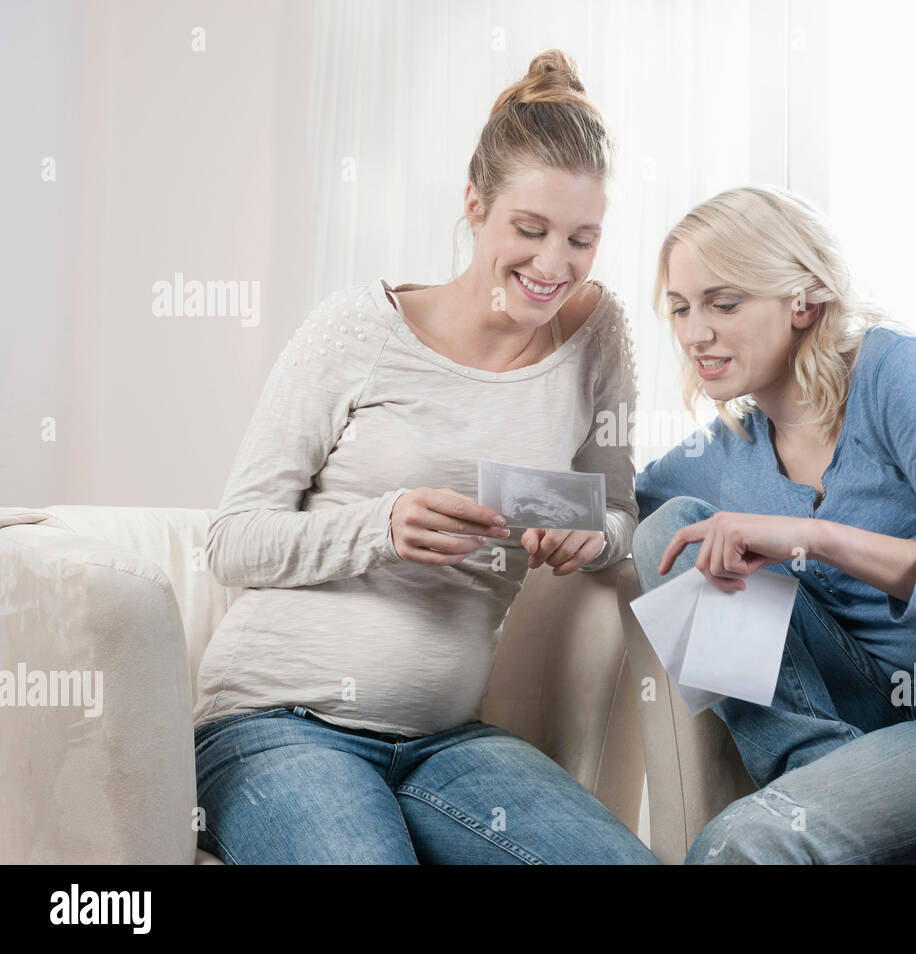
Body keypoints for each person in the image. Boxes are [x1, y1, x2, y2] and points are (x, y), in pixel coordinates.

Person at [193, 50, 656, 865]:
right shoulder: (359, 330)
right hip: (276, 724)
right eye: (530, 230)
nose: (554, 265)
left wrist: (592, 537)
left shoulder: (596, 338)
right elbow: (232, 540)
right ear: (475, 206)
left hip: (442, 739)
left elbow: (616, 511)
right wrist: (382, 525)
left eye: (582, 239)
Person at [631, 185, 916, 864]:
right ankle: (813, 766)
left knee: (740, 845)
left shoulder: (897, 373)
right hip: (878, 709)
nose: (697, 332)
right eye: (680, 308)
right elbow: (616, 500)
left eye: (725, 303)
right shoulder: (730, 451)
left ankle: (804, 807)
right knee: (663, 531)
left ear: (803, 300)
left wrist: (815, 538)